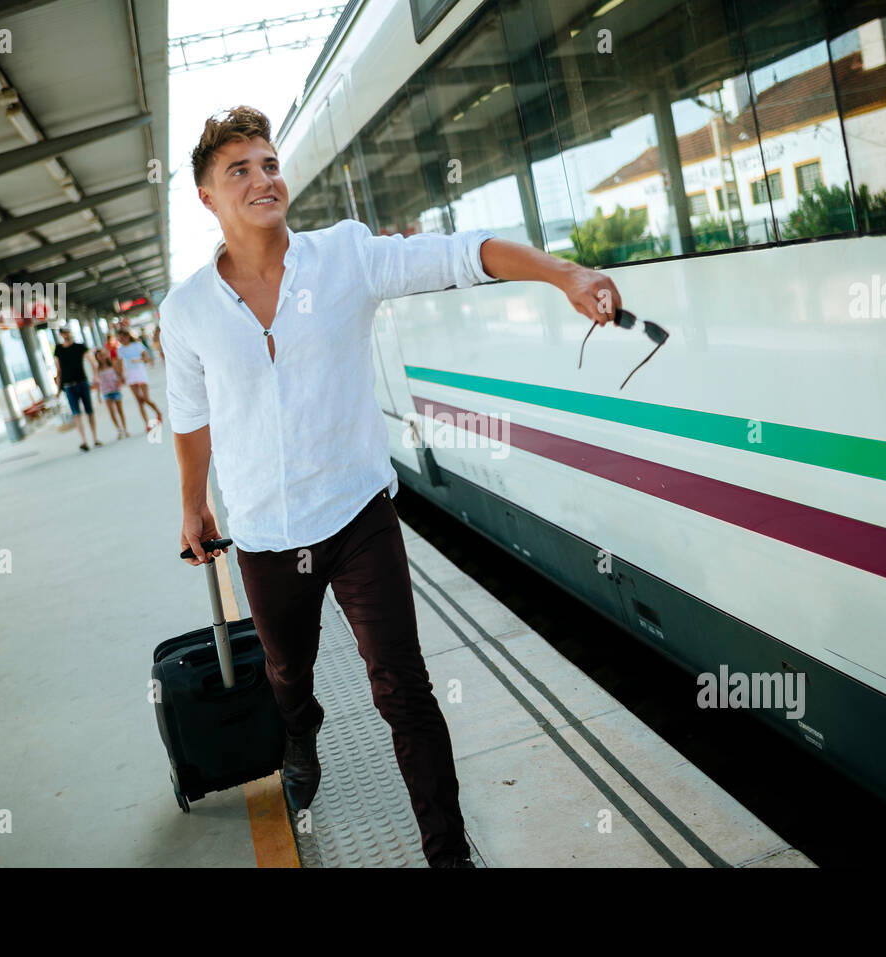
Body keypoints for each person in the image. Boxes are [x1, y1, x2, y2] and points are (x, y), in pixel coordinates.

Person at [159, 105, 622, 869]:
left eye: (269, 164)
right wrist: (192, 505)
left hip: (357, 515)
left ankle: (448, 854)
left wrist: (563, 272)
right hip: (267, 535)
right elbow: (190, 417)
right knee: (287, 672)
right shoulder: (186, 313)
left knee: (402, 689)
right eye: (238, 169)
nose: (262, 178)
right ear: (207, 197)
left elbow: (460, 253)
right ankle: (301, 732)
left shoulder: (344, 256)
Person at [53, 325, 101, 451]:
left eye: (67, 332)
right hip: (68, 386)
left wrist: (96, 377)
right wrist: (58, 390)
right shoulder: (58, 349)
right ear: (61, 335)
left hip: (82, 383)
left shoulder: (80, 347)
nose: (66, 335)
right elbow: (58, 370)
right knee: (76, 414)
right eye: (63, 333)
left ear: (71, 333)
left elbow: (93, 363)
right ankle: (84, 441)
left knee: (89, 411)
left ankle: (95, 438)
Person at [115, 329, 162, 431]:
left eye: (122, 337)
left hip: (140, 373)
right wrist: (120, 376)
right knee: (139, 400)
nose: (121, 339)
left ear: (127, 336)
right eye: (119, 338)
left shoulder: (137, 345)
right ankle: (147, 424)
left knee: (145, 398)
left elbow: (146, 359)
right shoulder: (120, 349)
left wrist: (139, 360)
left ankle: (158, 412)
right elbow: (119, 363)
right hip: (129, 375)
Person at [95, 349, 128, 439]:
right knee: (111, 412)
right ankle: (119, 429)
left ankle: (125, 428)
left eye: (102, 355)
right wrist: (98, 395)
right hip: (106, 392)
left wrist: (120, 381)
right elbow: (97, 382)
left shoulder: (112, 364)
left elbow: (120, 375)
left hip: (115, 390)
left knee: (120, 410)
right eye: (99, 356)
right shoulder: (97, 368)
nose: (101, 357)